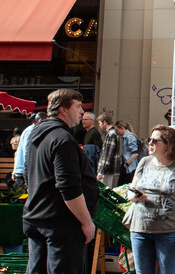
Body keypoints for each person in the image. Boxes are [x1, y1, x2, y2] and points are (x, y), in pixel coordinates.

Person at [23, 89, 98, 274]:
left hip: (39, 218)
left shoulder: (37, 135)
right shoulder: (62, 139)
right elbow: (69, 188)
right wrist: (87, 222)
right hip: (61, 224)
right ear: (63, 110)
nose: (82, 112)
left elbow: (28, 174)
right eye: (78, 106)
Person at [128, 125, 175, 274]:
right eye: (149, 140)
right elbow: (130, 193)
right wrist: (135, 197)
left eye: (155, 141)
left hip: (168, 232)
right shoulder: (144, 162)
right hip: (140, 230)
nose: (150, 143)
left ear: (168, 144)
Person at [96, 112, 123, 187]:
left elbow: (108, 154)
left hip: (108, 170)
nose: (99, 125)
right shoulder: (113, 133)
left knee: (105, 190)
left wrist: (101, 171)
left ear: (104, 122)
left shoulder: (111, 134)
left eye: (99, 123)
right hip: (110, 169)